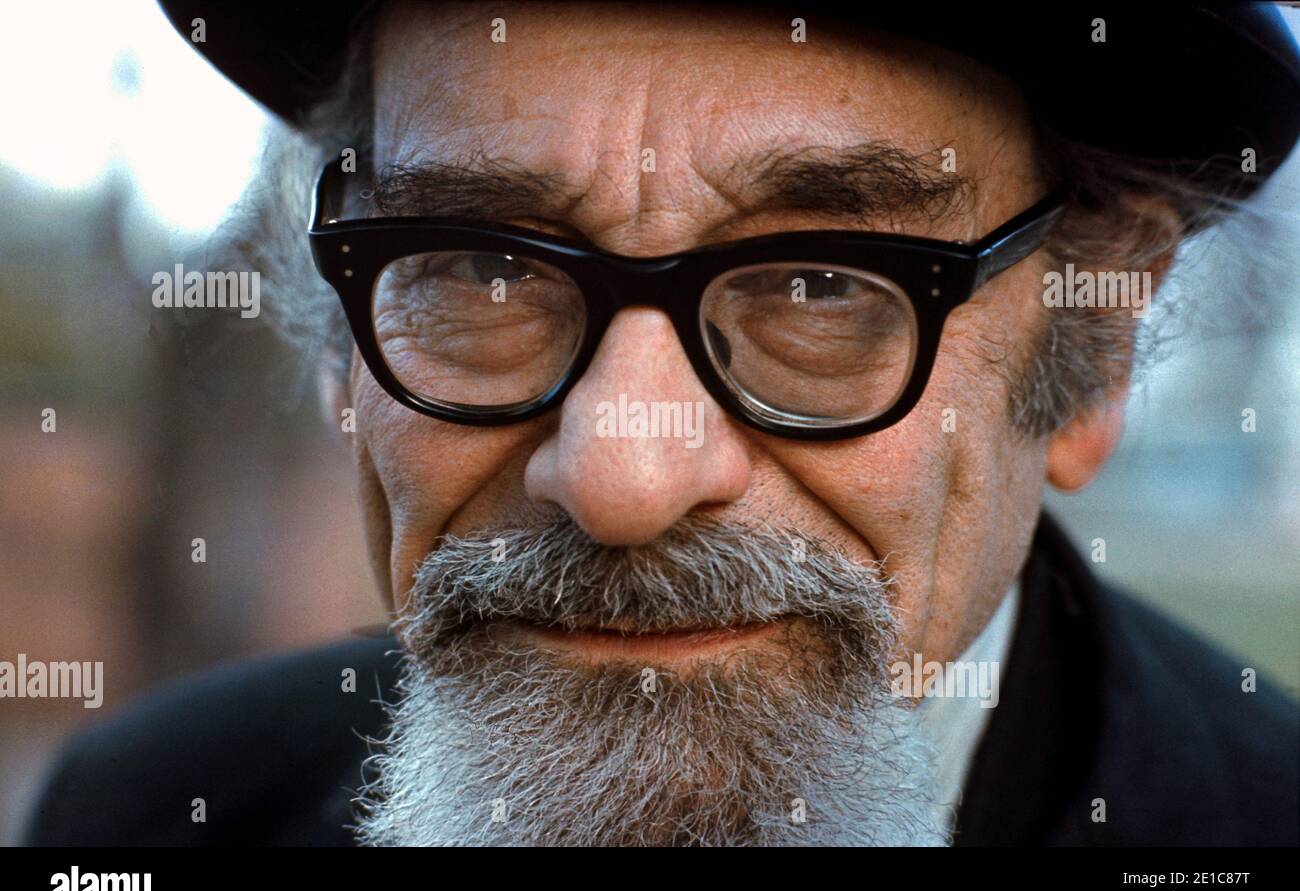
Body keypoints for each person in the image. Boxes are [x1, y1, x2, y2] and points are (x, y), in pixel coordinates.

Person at [23, 1, 1300, 846]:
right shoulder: (144, 816)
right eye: (484, 272)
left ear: (1091, 356)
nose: (621, 479)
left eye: (822, 287)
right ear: (339, 355)